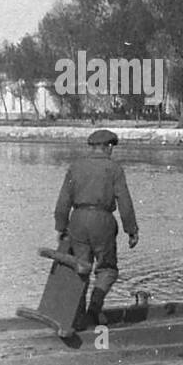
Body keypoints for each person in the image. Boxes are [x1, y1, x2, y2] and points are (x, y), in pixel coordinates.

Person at [53, 128, 139, 328]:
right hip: (102, 221)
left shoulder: (75, 167)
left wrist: (61, 227)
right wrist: (131, 230)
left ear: (91, 147)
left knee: (80, 268)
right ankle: (94, 309)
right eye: (111, 147)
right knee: (107, 269)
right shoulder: (114, 169)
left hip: (78, 220)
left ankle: (76, 319)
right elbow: (124, 201)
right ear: (108, 147)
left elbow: (63, 201)